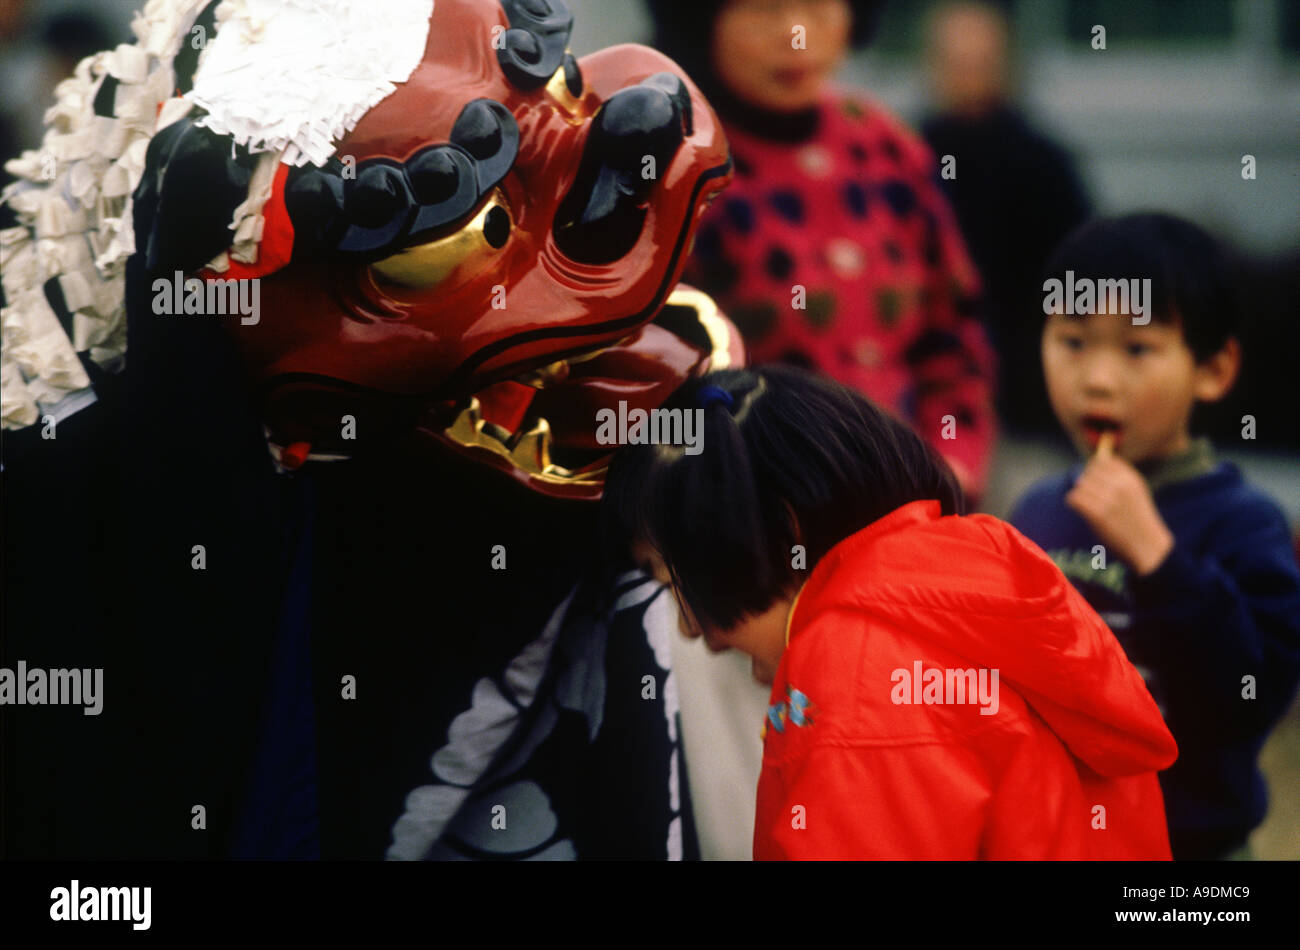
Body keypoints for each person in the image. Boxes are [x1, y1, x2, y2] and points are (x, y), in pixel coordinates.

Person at [602, 364, 1177, 859]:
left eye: (677, 580)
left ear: (782, 533)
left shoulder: (855, 673)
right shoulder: (965, 581)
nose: (692, 628)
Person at [1009, 213, 1300, 860]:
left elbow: (1252, 697)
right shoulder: (1034, 512)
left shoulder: (1242, 521)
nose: (1099, 379)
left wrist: (1160, 559)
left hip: (1194, 848)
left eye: (1138, 350)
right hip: (1062, 839)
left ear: (1214, 370)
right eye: (1073, 341)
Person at [647, 0, 996, 499]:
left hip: (908, 503)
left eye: (818, 7)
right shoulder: (676, 164)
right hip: (749, 517)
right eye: (765, 11)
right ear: (704, 21)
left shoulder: (888, 147)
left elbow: (955, 334)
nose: (796, 34)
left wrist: (951, 467)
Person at [919, 0, 1091, 435]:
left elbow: (1076, 287)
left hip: (1024, 406)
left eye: (979, 62)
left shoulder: (1044, 165)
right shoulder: (904, 160)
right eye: (955, 61)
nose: (966, 74)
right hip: (924, 402)